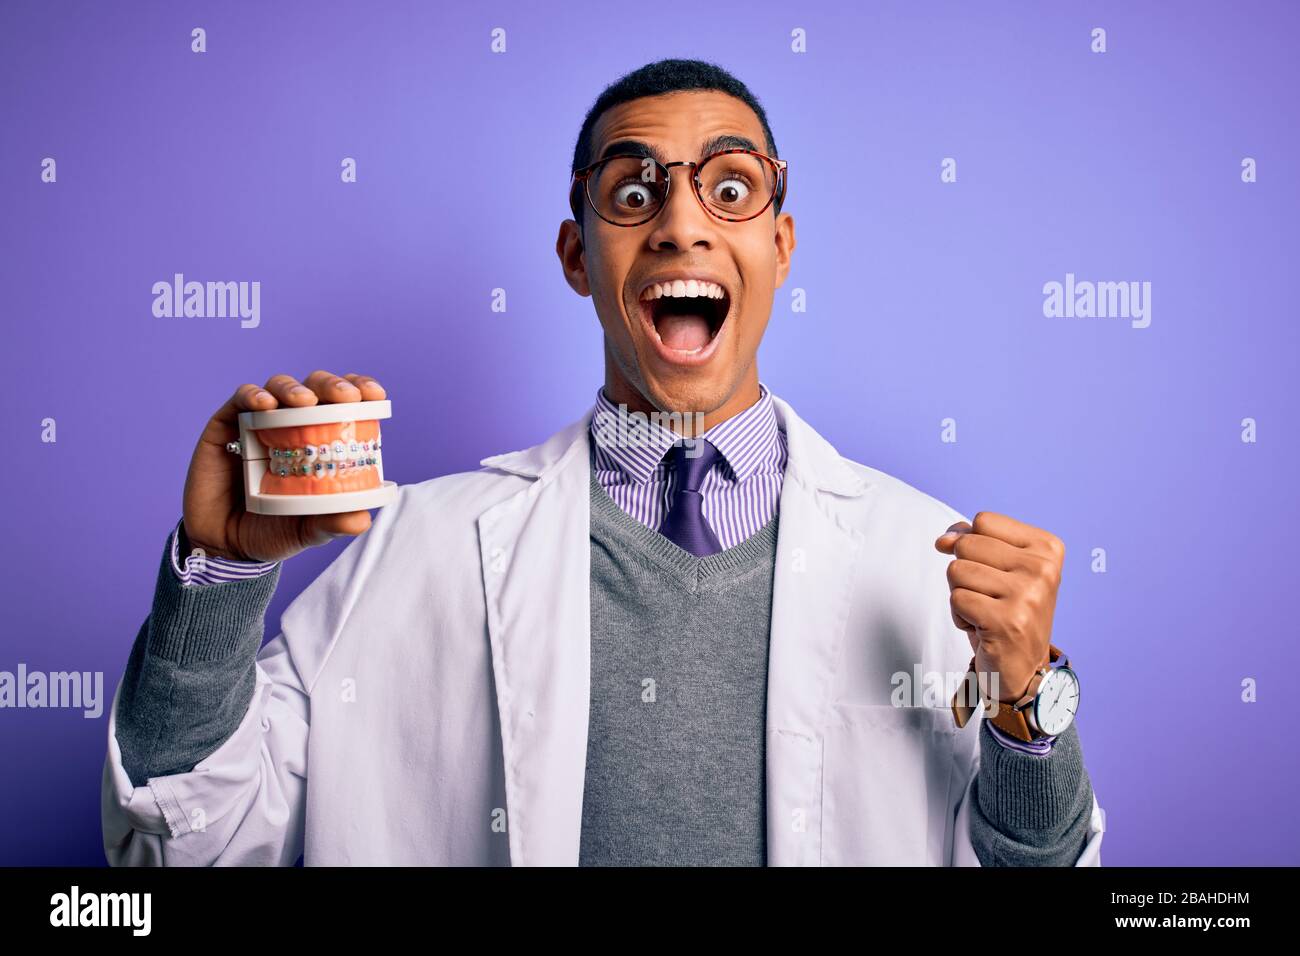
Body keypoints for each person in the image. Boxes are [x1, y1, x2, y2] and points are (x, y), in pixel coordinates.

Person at [102, 58, 1104, 866]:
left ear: (780, 244)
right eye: (632, 192)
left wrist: (1029, 705)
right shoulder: (414, 547)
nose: (680, 223)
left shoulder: (922, 559)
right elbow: (190, 838)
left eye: (729, 187)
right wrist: (218, 577)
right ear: (579, 256)